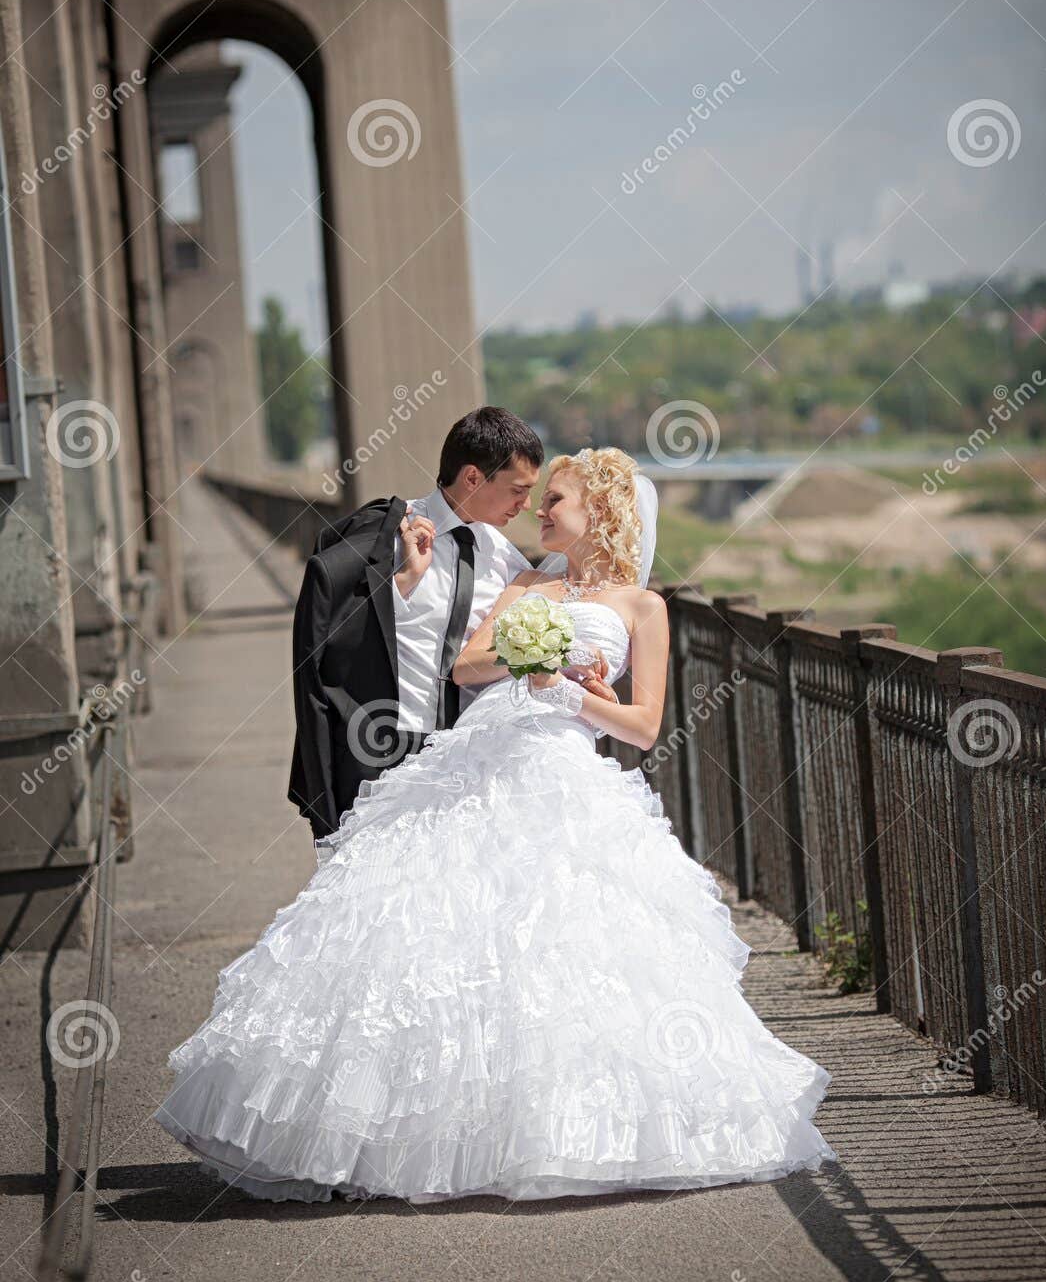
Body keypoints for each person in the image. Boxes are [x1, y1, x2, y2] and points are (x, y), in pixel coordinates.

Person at [155, 447, 837, 1204]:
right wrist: (523, 659)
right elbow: (464, 666)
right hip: (481, 753)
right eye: (540, 500)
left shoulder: (643, 609)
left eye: (557, 501)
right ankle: (420, 1129)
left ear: (601, 514)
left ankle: (566, 1130)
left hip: (564, 764)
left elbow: (642, 728)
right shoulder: (529, 581)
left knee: (561, 937)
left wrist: (569, 694)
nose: (541, 512)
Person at [288, 407, 614, 839]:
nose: (527, 506)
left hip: (462, 759)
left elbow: (514, 650)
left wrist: (578, 674)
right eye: (518, 490)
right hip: (375, 746)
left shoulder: (505, 559)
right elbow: (328, 641)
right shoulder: (381, 534)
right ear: (474, 478)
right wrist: (402, 584)